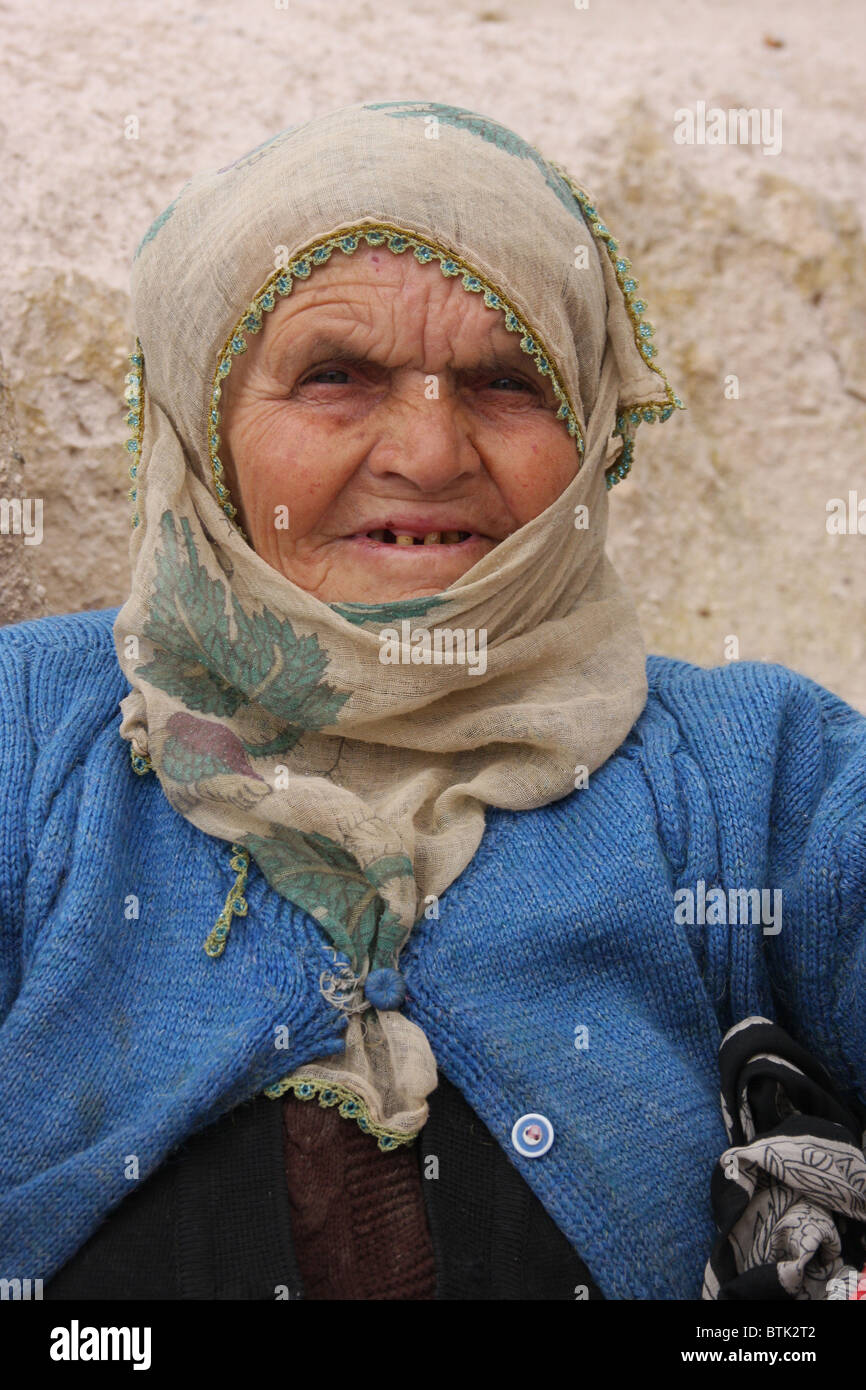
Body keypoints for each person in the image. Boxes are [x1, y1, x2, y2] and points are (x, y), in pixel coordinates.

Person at [1, 101, 864, 1302]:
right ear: (203, 431)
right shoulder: (31, 738)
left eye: (507, 382)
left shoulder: (746, 771)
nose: (429, 451)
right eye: (335, 376)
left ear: (592, 429)